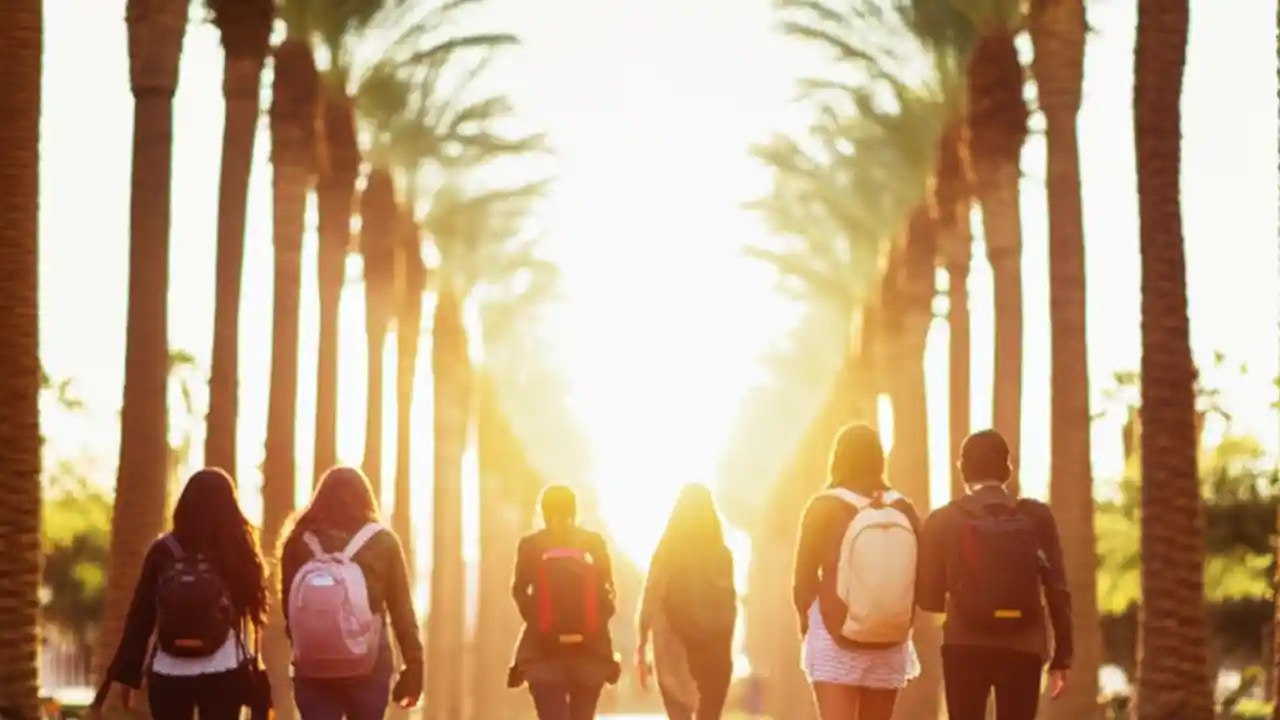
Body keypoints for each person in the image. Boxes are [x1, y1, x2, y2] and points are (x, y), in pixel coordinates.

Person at [916, 429, 1073, 720]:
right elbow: (1057, 587)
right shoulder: (1037, 516)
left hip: (964, 645)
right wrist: (1062, 655)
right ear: (1006, 469)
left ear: (963, 469)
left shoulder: (943, 519)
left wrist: (965, 600)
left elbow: (927, 597)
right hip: (1023, 646)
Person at [92, 468, 269, 720]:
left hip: (169, 671)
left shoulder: (163, 550)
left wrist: (127, 675)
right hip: (224, 670)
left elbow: (141, 617)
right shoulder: (237, 550)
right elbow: (253, 607)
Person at [793, 424, 922, 720]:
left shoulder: (823, 506)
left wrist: (807, 627)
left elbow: (803, 581)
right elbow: (920, 575)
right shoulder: (903, 508)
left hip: (833, 630)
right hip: (889, 638)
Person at [280, 466, 422, 720]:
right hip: (368, 663)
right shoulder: (382, 541)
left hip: (313, 665)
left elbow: (289, 609)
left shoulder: (298, 540)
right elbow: (402, 612)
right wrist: (414, 666)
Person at [509, 485, 621, 720]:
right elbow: (609, 591)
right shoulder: (593, 542)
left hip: (543, 652)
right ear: (575, 511)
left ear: (543, 511)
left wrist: (539, 619)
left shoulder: (530, 545)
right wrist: (594, 623)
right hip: (590, 653)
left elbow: (519, 590)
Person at [636, 483, 737, 720]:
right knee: (709, 713)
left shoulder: (667, 553)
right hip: (715, 653)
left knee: (679, 713)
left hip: (674, 651)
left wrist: (642, 645)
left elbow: (650, 599)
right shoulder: (722, 555)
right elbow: (730, 608)